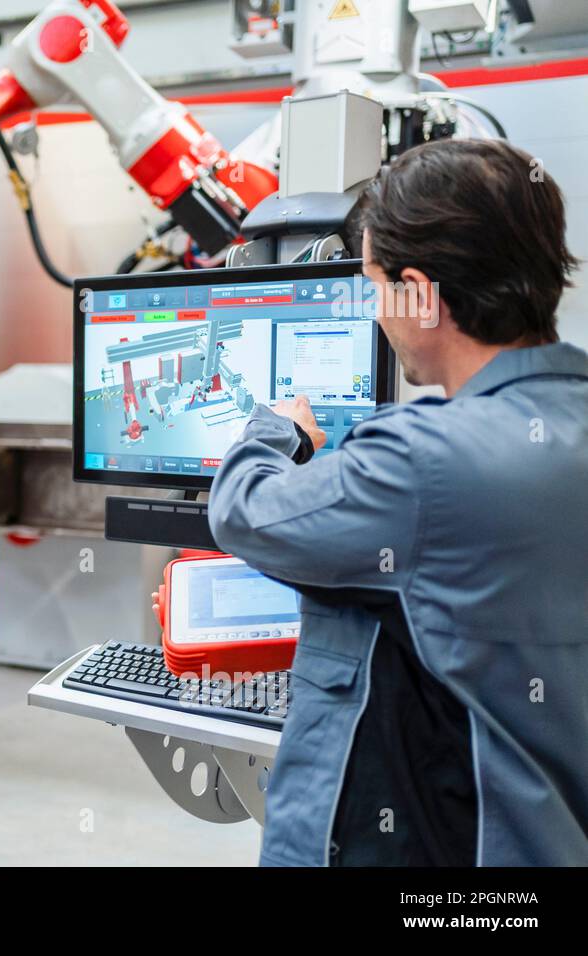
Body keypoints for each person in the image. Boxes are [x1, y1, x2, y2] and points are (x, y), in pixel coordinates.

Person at [198, 138, 588, 865]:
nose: (378, 314)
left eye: (376, 288)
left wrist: (273, 430)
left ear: (418, 291)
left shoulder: (423, 462)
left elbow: (247, 513)